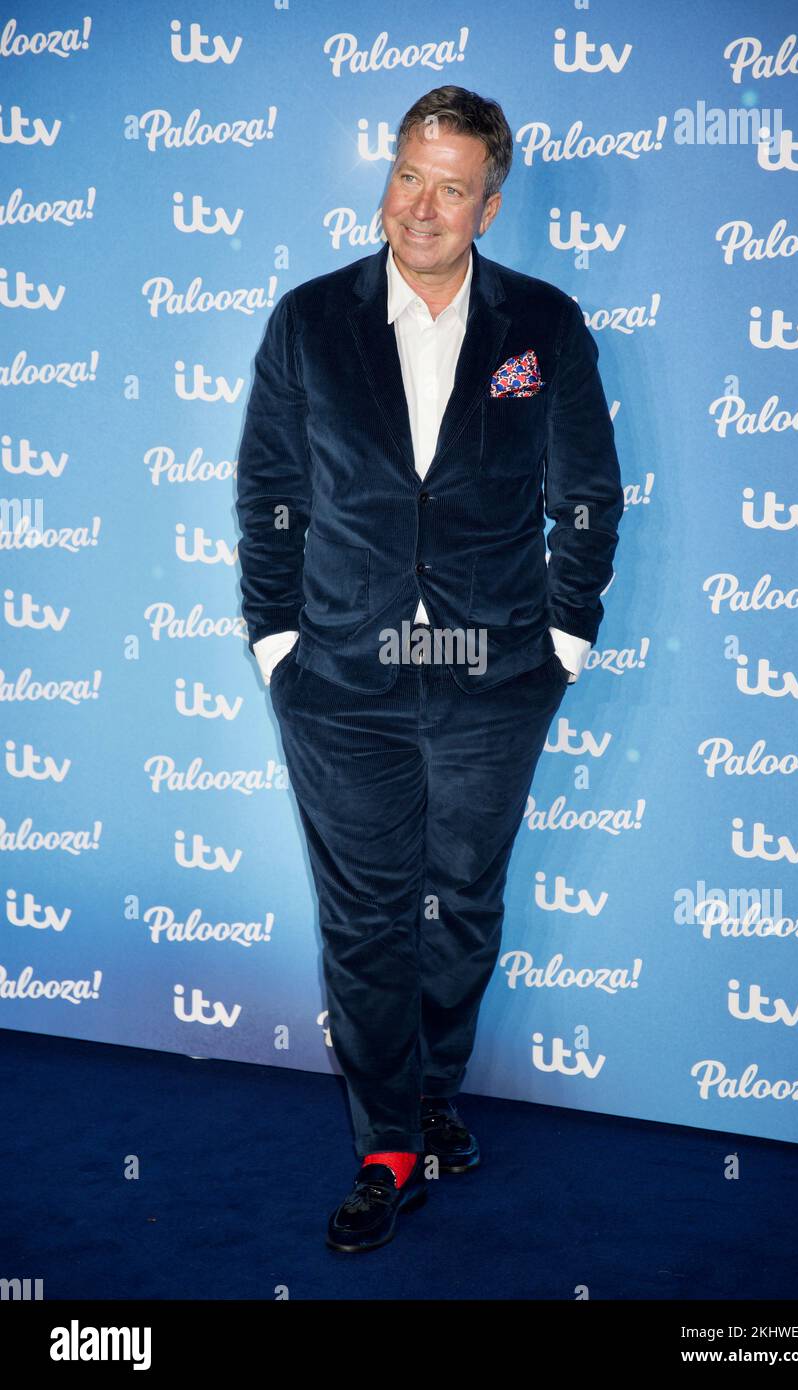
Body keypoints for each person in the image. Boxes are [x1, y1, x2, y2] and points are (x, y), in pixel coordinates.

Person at [236, 85, 623, 1252]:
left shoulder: (541, 326)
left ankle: (433, 1094)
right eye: (408, 175)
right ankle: (389, 1145)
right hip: (341, 676)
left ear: (488, 207)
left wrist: (561, 639)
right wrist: (277, 642)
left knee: (459, 904)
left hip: (488, 674)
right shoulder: (310, 321)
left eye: (450, 189)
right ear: (388, 175)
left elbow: (586, 495)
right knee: (364, 917)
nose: (419, 206)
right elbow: (268, 493)